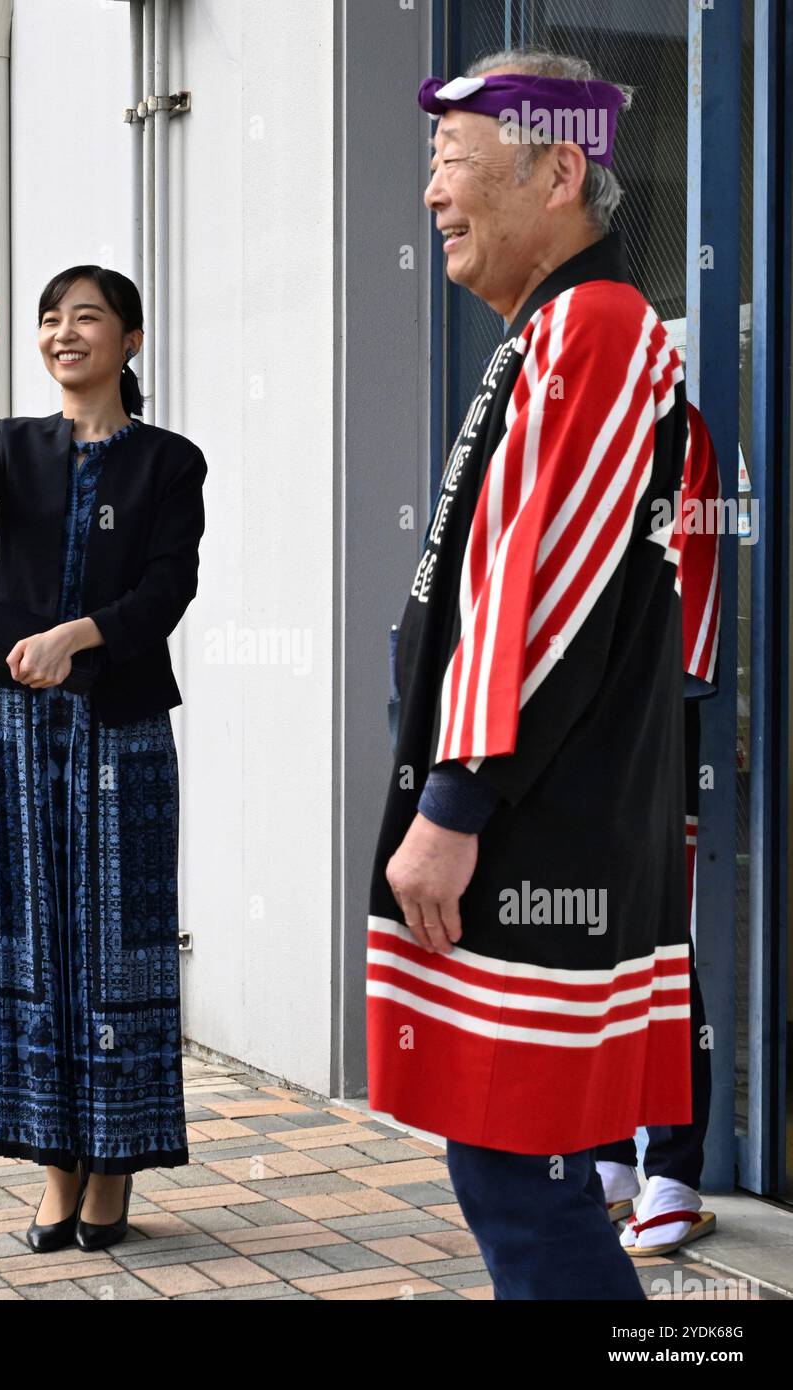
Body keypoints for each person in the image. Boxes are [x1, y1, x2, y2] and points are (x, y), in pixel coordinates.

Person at [366, 48, 699, 1299]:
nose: (433, 193)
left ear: (559, 170)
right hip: (531, 815)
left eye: (453, 162)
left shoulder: (595, 327)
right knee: (520, 1173)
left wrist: (456, 802)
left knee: (526, 1173)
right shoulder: (557, 331)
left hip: (533, 827)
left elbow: (548, 590)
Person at [0, 265, 207, 1254]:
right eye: (50, 318)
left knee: (118, 944)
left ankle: (114, 1167)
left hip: (120, 725)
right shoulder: (17, 446)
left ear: (130, 340)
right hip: (9, 728)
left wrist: (77, 635)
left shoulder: (170, 462)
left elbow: (167, 593)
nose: (63, 331)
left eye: (87, 316)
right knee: (25, 947)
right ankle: (55, 1168)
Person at [596, 401, 721, 1258]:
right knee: (578, 935)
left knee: (653, 940)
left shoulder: (668, 421)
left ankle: (671, 1166)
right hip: (541, 730)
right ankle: (603, 1152)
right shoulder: (524, 410)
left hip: (642, 713)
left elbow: (691, 575)